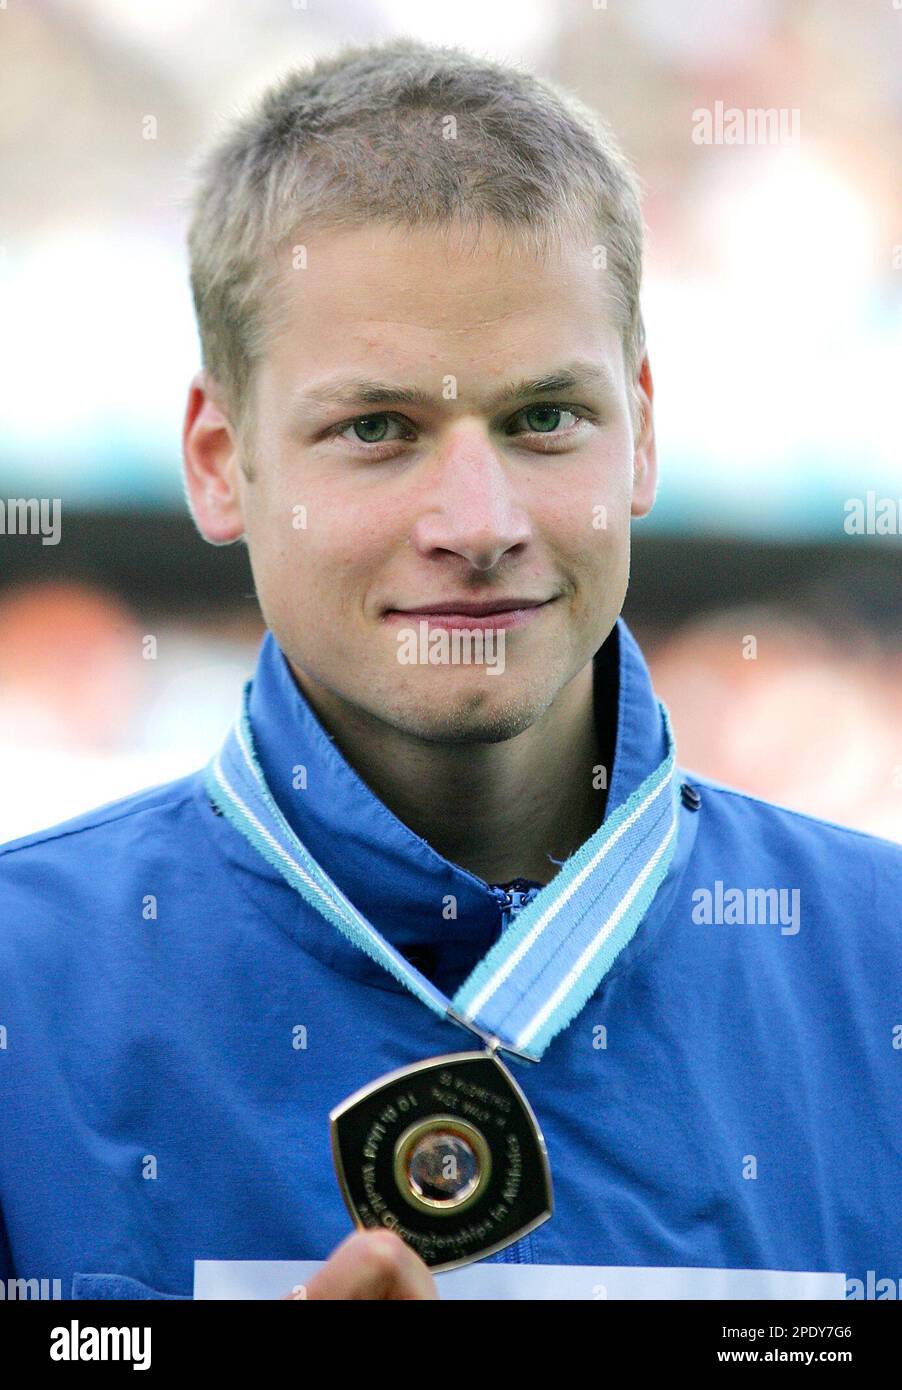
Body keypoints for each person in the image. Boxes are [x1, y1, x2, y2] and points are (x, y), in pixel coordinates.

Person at [1, 37, 900, 1303]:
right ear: (217, 460)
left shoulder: (880, 971)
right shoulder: (21, 996)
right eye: (376, 429)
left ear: (639, 432)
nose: (476, 521)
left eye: (543, 418)